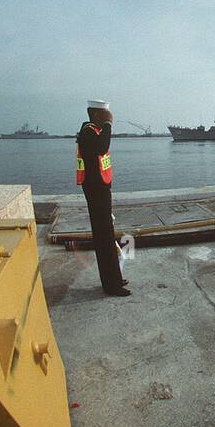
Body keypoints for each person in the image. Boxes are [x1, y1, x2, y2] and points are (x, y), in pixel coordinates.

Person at [76, 99, 130, 296]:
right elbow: (102, 147)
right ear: (97, 115)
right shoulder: (90, 132)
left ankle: (114, 278)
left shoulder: (91, 131)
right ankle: (111, 285)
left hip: (100, 189)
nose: (109, 118)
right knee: (104, 237)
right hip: (96, 190)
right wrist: (108, 124)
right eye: (106, 115)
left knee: (107, 235)